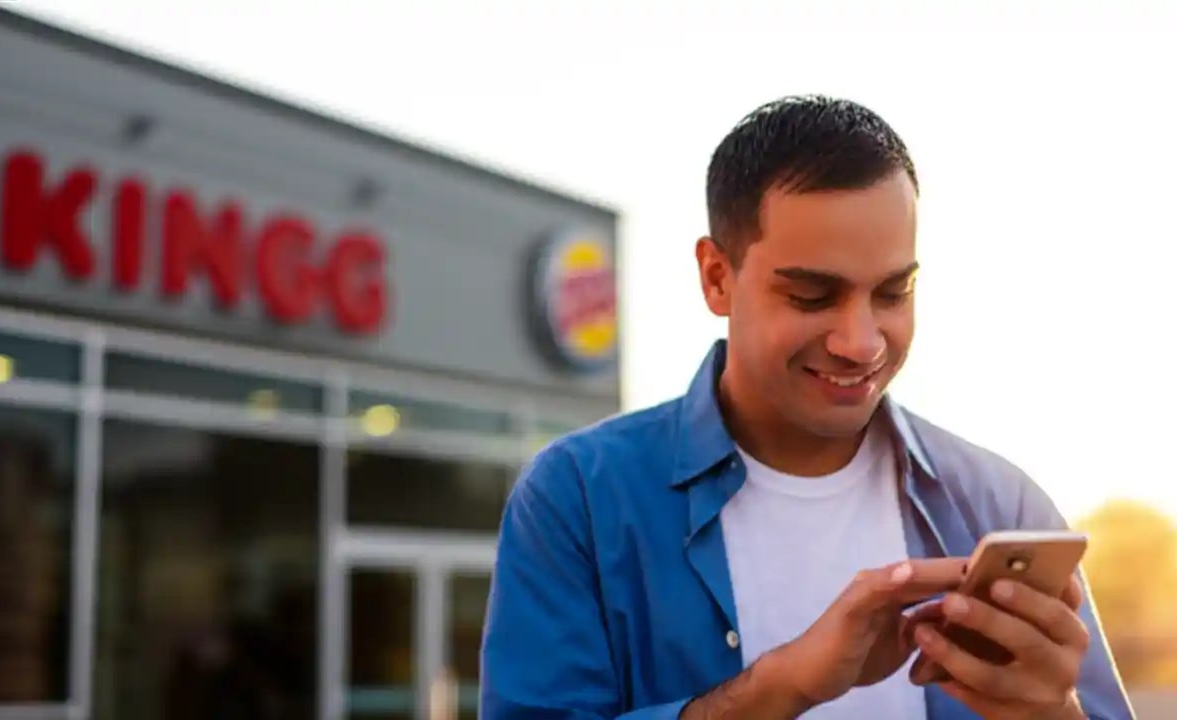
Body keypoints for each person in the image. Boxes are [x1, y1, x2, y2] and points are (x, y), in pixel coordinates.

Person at [480, 95, 1134, 719]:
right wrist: (783, 686)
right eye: (813, 297)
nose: (861, 343)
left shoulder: (1001, 504)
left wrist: (1052, 713)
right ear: (716, 277)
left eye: (893, 293)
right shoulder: (579, 499)